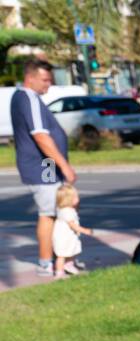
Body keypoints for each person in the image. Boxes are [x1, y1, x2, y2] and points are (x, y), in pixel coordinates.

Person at [10, 59, 76, 278]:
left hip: (44, 165)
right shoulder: (28, 98)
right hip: (42, 166)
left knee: (55, 212)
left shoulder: (27, 98)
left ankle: (62, 260)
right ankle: (46, 263)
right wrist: (64, 167)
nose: (49, 84)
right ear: (30, 78)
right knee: (49, 213)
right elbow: (40, 135)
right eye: (45, 79)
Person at [52, 184, 93, 277]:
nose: (78, 198)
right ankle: (59, 272)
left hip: (68, 236)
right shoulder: (67, 211)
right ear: (68, 199)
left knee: (71, 250)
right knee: (61, 255)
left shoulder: (66, 209)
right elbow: (73, 225)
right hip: (63, 237)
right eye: (75, 197)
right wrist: (84, 230)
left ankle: (69, 265)